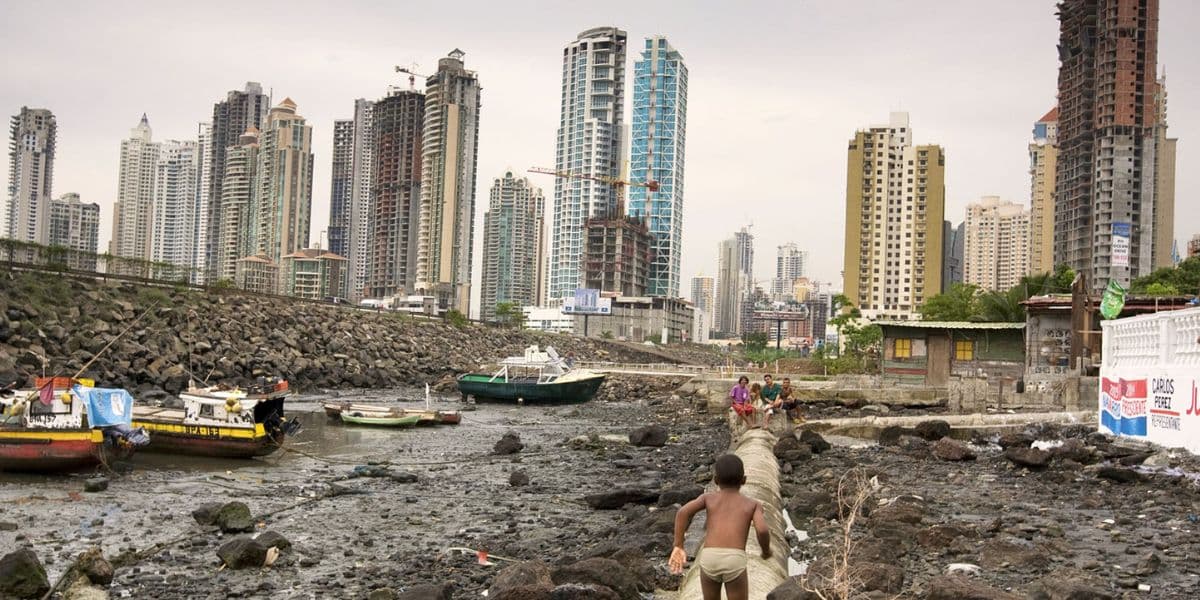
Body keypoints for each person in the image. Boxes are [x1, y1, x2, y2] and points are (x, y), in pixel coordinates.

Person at [669, 454, 771, 600]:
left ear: (716, 480)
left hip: (709, 558)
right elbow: (762, 530)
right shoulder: (753, 504)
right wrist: (766, 551)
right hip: (734, 560)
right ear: (744, 480)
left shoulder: (708, 498)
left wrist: (678, 545)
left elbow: (682, 513)